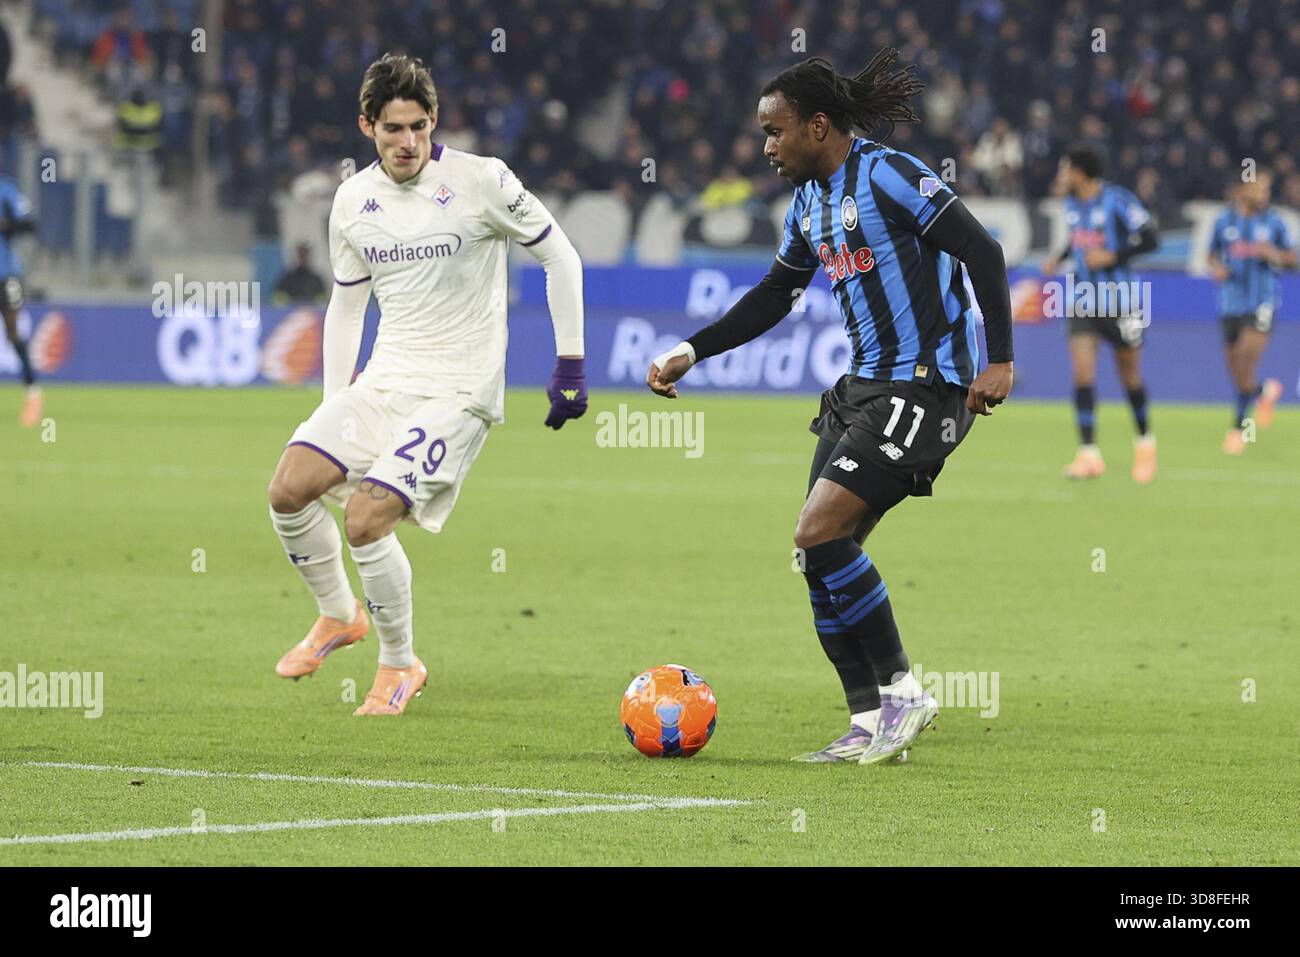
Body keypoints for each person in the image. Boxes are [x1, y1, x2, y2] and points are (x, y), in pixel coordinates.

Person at [647, 51, 1014, 765]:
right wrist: (693, 350)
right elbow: (775, 295)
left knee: (819, 529)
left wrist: (998, 359)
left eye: (774, 131)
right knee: (814, 553)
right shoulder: (809, 205)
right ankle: (869, 718)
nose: (766, 147)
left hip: (924, 384)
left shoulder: (891, 174)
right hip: (861, 390)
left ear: (818, 126)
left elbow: (984, 251)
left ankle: (906, 691)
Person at [266, 54, 587, 715]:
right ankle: (338, 615)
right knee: (289, 487)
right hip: (386, 380)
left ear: (434, 121)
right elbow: (347, 306)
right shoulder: (354, 201)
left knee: (364, 519)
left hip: (459, 393)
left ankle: (398, 664)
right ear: (367, 128)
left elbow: (561, 254)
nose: (407, 142)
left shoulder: (482, 181)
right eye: (392, 129)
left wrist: (570, 364)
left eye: (418, 126)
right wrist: (333, 410)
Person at [1043, 147, 1160, 482]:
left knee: (1129, 376)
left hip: (1120, 300)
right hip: (1083, 299)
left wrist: (1112, 256)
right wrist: (1059, 256)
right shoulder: (1070, 205)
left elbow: (1150, 239)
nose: (1062, 176)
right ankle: (1089, 454)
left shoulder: (1118, 200)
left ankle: (1144, 443)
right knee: (1082, 373)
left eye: (1065, 169)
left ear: (1081, 172)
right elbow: (1078, 242)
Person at [1207, 170, 1294, 454]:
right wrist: (1217, 268)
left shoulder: (1274, 223)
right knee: (1235, 366)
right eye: (1259, 189)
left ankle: (1239, 430)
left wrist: (1277, 256)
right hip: (1230, 301)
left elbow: (1293, 257)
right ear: (1242, 189)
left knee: (1246, 358)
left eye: (1267, 190)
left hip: (1262, 300)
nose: (1263, 195)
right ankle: (1263, 392)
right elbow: (1211, 254)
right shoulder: (1224, 221)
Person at [0, 171, 38, 426]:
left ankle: (33, 395)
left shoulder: (7, 190)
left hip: (7, 274)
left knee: (13, 331)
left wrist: (8, 224)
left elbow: (30, 224)